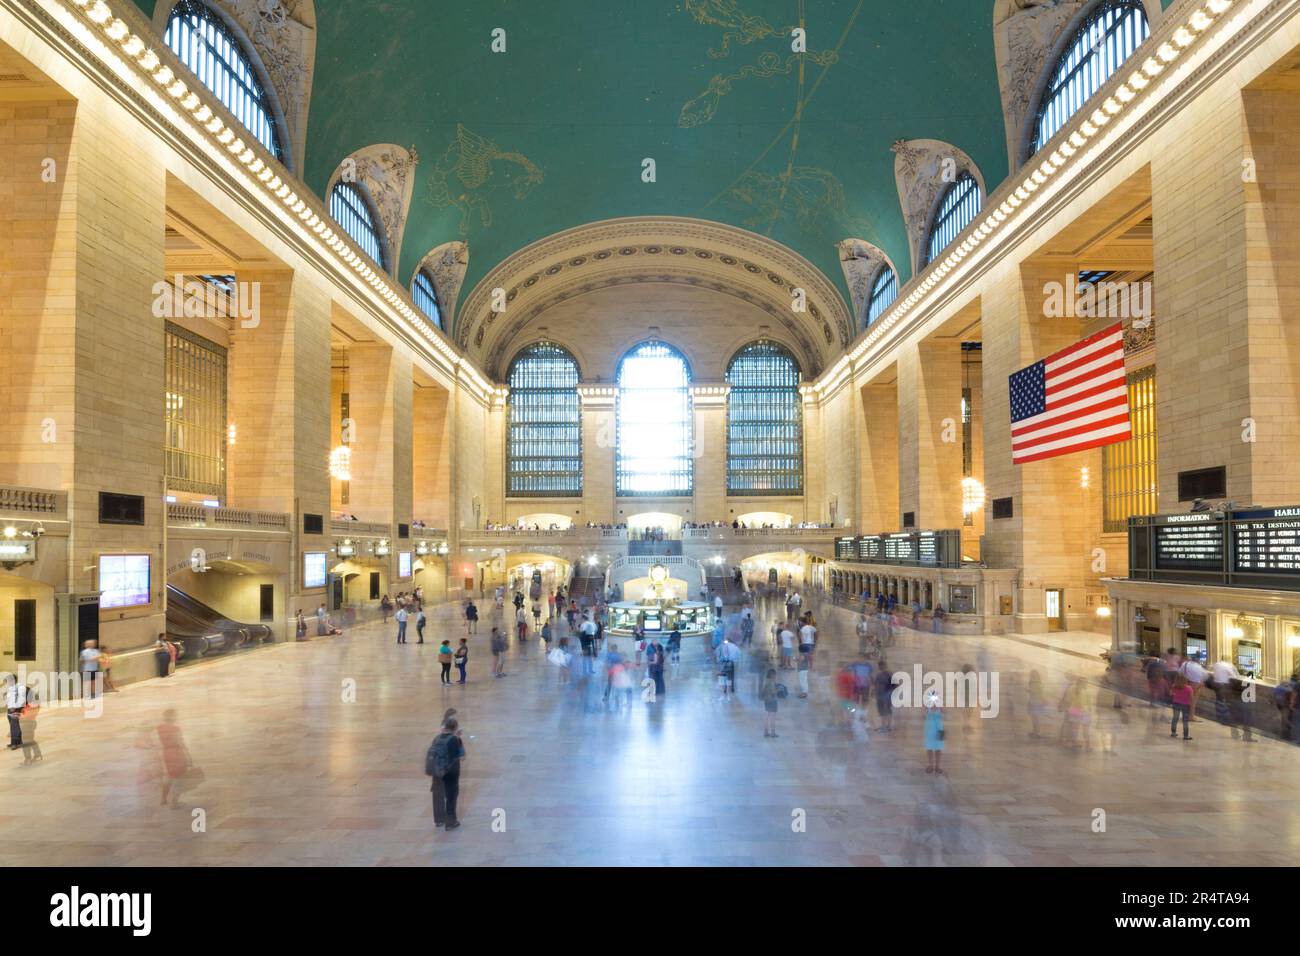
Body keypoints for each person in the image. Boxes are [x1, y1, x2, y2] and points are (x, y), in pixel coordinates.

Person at [428, 716, 466, 830]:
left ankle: (438, 820)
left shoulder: (436, 738)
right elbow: (462, 756)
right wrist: (458, 738)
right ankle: (450, 822)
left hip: (437, 772)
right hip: (450, 774)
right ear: (455, 728)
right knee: (451, 797)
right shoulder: (454, 740)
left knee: (438, 796)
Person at [157, 709, 193, 808]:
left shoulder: (160, 728)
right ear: (173, 717)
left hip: (166, 753)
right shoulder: (175, 729)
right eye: (175, 715)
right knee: (178, 778)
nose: (176, 717)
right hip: (176, 753)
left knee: (168, 776)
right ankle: (174, 803)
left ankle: (163, 799)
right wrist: (188, 756)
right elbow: (180, 742)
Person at [18, 684, 41, 764]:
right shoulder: (32, 703)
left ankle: (28, 758)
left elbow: (26, 714)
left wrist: (20, 715)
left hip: (28, 723)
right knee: (30, 740)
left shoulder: (31, 705)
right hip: (30, 722)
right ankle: (37, 754)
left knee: (25, 742)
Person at [1180, 654, 1207, 721]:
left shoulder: (1185, 664)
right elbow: (1205, 677)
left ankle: (1185, 714)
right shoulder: (1199, 667)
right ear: (1198, 660)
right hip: (1196, 685)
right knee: (1193, 701)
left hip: (1186, 683)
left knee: (1185, 700)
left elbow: (1180, 673)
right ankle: (1191, 716)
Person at [923, 692, 945, 774]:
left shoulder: (941, 707)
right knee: (929, 747)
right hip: (929, 730)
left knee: (939, 748)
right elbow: (923, 712)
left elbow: (945, 712)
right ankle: (930, 765)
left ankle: (938, 765)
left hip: (939, 729)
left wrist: (939, 705)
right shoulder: (927, 706)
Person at [1170, 673, 1193, 740]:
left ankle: (1173, 732)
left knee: (1175, 718)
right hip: (1185, 705)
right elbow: (1191, 698)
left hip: (1176, 704)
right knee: (1185, 720)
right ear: (1185, 680)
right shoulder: (1189, 688)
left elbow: (1170, 694)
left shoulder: (1174, 686)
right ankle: (1186, 735)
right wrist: (1191, 707)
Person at [4, 674, 24, 750]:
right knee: (13, 726)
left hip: (15, 709)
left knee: (14, 726)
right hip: (10, 709)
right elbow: (10, 698)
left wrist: (14, 707)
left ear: (13, 680)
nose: (7, 682)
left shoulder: (20, 688)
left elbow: (22, 700)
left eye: (8, 681)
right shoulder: (11, 688)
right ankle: (18, 742)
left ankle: (14, 743)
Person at [874, 661, 895, 732]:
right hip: (880, 696)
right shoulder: (880, 674)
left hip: (885, 696)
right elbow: (876, 685)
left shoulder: (889, 674)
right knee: (882, 711)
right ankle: (884, 726)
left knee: (886, 711)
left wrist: (889, 694)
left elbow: (894, 685)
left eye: (880, 666)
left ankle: (887, 726)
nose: (879, 667)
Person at [760, 668, 780, 738]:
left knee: (766, 716)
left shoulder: (766, 681)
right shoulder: (771, 682)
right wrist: (778, 689)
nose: (776, 676)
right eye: (775, 675)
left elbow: (763, 691)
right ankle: (773, 733)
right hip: (772, 701)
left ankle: (765, 732)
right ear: (773, 675)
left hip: (766, 700)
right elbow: (773, 692)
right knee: (772, 718)